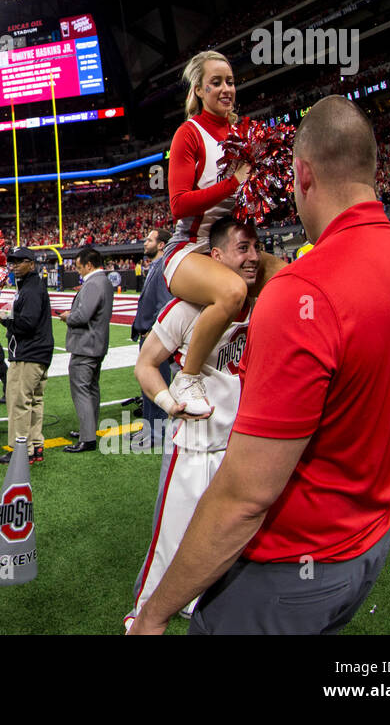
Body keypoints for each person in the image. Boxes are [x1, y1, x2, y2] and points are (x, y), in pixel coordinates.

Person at [130, 96, 390, 635]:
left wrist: (153, 616)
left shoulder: (304, 291)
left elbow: (246, 497)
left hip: (288, 569)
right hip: (366, 547)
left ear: (303, 173)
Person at [126, 217, 259, 628]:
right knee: (168, 549)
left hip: (242, 453)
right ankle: (141, 620)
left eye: (257, 247)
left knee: (232, 553)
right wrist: (169, 402)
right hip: (195, 449)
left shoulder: (265, 302)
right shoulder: (185, 309)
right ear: (215, 257)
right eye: (243, 248)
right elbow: (146, 365)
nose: (254, 256)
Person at [160, 51, 283, 418]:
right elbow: (179, 205)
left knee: (290, 282)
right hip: (190, 249)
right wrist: (234, 183)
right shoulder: (189, 134)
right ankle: (187, 377)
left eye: (229, 81)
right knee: (233, 291)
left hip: (232, 247)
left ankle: (270, 370)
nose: (226, 88)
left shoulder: (244, 133)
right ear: (199, 90)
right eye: (216, 82)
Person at [0, 247, 53, 464]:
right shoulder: (32, 286)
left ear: (32, 263)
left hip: (28, 354)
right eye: (13, 261)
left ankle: (21, 450)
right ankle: (35, 446)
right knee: (35, 401)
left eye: (20, 261)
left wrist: (5, 320)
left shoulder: (30, 289)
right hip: (39, 353)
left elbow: (27, 323)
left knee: (19, 402)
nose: (15, 265)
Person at [61, 246, 114, 454]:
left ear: (89, 265)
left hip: (86, 345)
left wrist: (68, 316)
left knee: (82, 390)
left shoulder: (93, 283)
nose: (78, 271)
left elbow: (82, 317)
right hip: (96, 344)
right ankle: (88, 429)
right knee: (91, 388)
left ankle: (87, 437)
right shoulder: (104, 282)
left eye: (79, 266)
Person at [130, 226, 171, 448]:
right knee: (147, 386)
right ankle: (149, 429)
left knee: (157, 385)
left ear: (161, 244)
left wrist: (155, 331)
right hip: (147, 336)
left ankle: (158, 434)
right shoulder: (154, 266)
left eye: (149, 240)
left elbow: (164, 304)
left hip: (156, 337)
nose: (145, 243)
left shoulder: (164, 266)